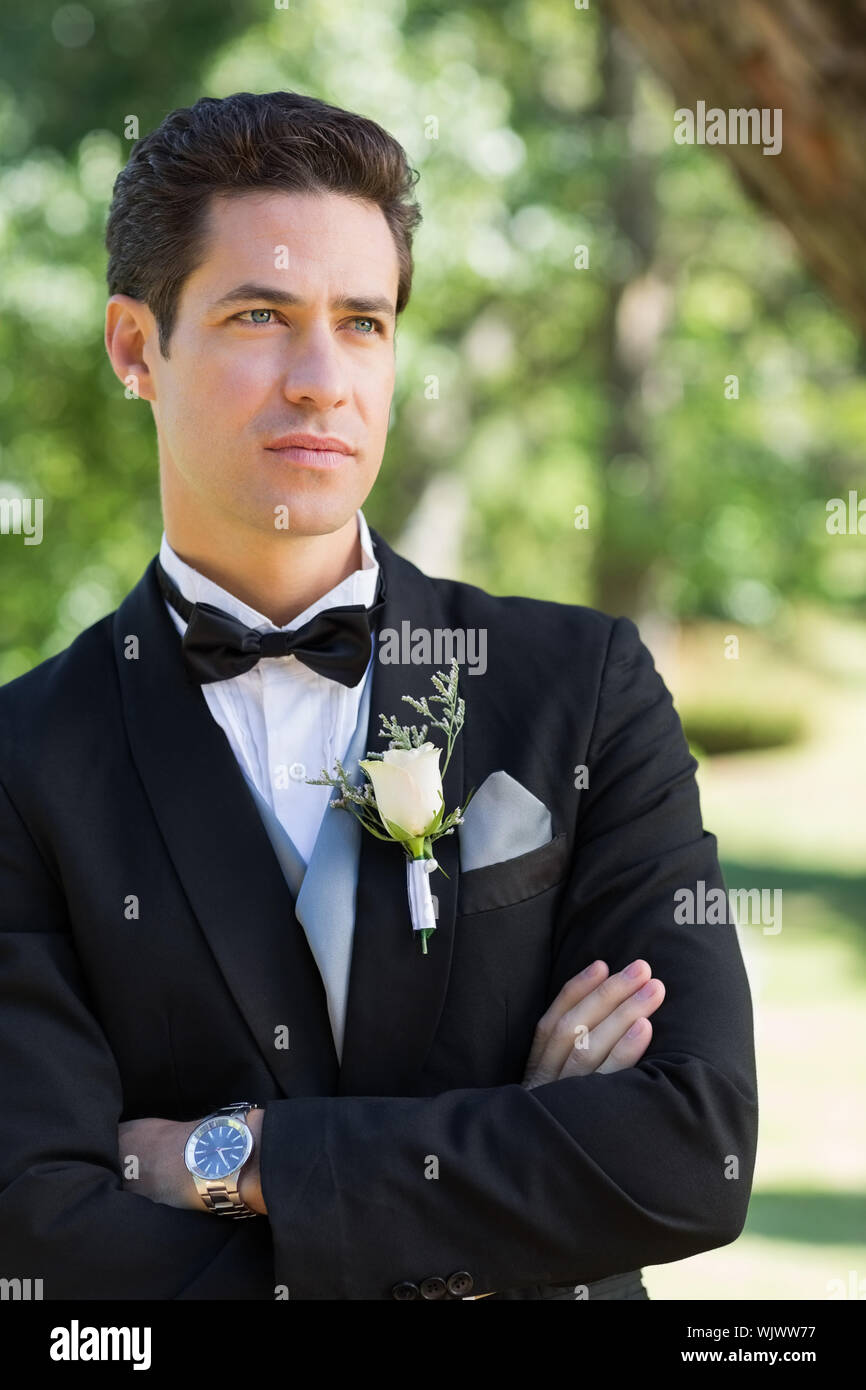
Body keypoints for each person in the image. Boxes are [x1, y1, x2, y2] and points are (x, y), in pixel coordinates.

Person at [0, 90, 758, 1301]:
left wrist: (228, 1159)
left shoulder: (584, 686)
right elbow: (45, 1238)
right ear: (136, 347)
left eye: (361, 322)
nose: (319, 379)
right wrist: (516, 1177)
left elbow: (687, 1152)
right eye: (261, 315)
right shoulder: (22, 758)